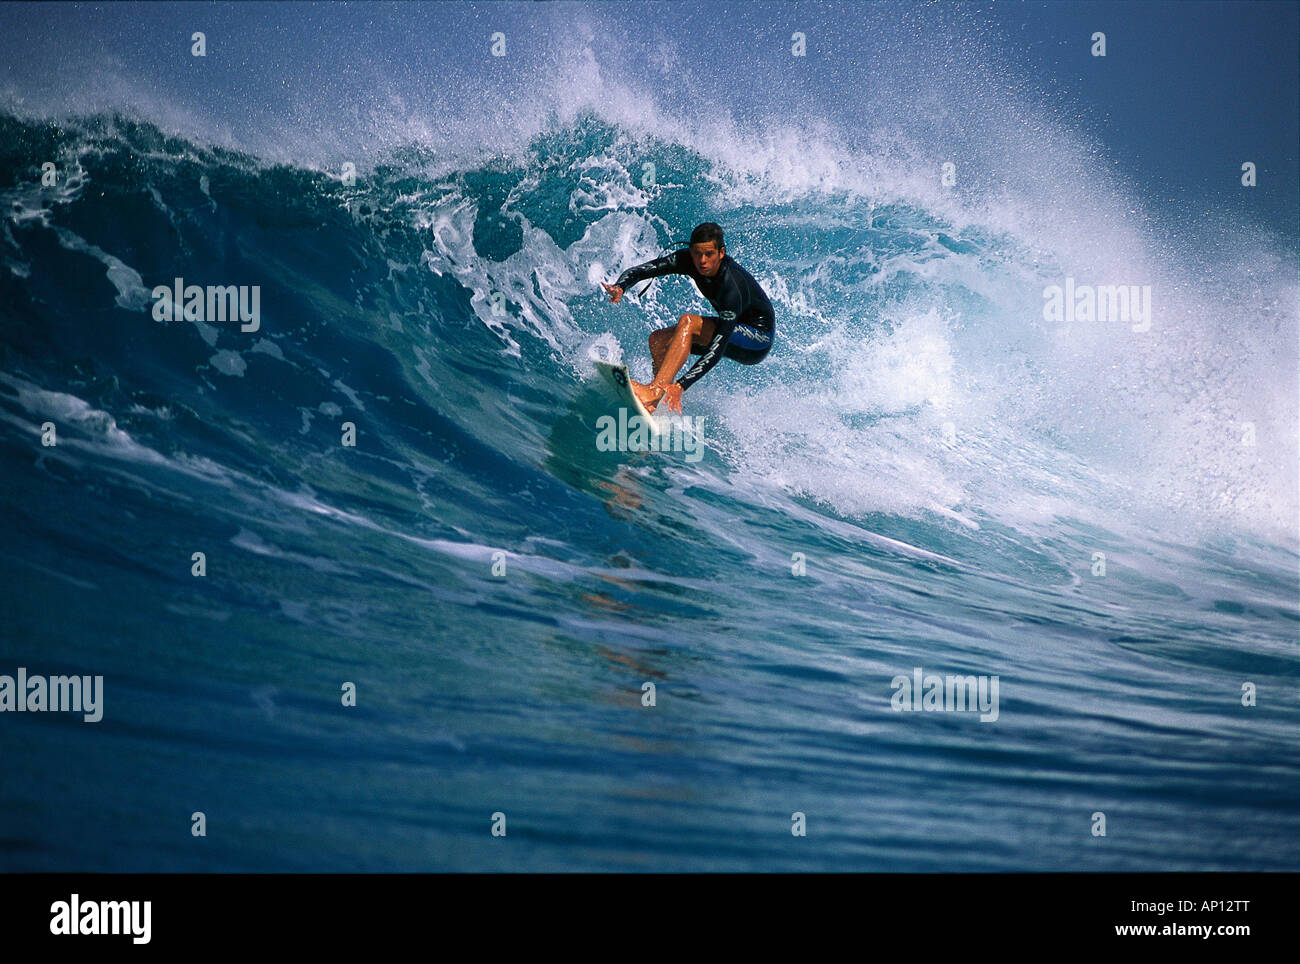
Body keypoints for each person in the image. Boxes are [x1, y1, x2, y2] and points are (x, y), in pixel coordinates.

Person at [601, 222, 775, 413]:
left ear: (721, 253)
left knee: (689, 323)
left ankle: (653, 391)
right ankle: (653, 403)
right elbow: (643, 270)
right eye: (697, 253)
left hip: (757, 339)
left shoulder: (731, 286)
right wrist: (620, 287)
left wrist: (682, 385)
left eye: (709, 254)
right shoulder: (689, 260)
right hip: (733, 330)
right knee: (658, 340)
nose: (702, 260)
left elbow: (718, 346)